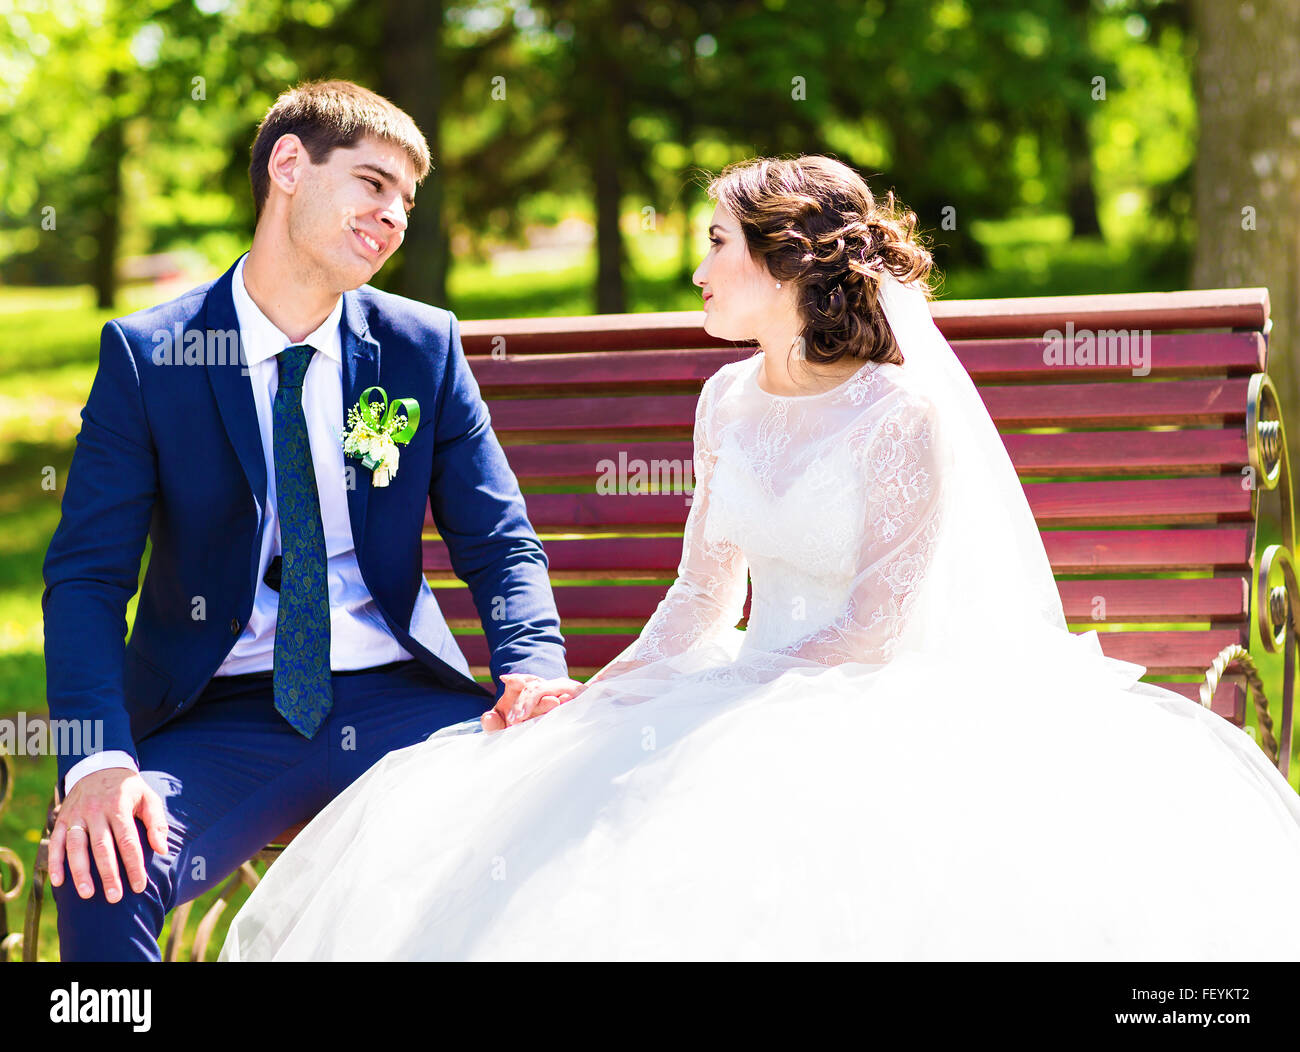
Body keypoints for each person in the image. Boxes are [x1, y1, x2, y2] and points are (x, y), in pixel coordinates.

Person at [220, 155, 1300, 962]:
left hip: (870, 698)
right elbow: (703, 590)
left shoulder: (899, 413)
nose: (695, 268)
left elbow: (874, 627)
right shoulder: (726, 398)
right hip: (744, 674)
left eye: (715, 246)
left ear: (787, 258)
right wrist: (614, 689)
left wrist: (733, 693)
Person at [41, 80, 577, 961]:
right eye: (373, 183)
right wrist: (98, 762)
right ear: (288, 165)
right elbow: (87, 581)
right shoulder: (151, 356)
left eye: (408, 199)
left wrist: (532, 666)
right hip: (223, 710)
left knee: (531, 843)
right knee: (103, 870)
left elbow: (499, 538)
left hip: (401, 703)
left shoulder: (421, 346)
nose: (395, 214)